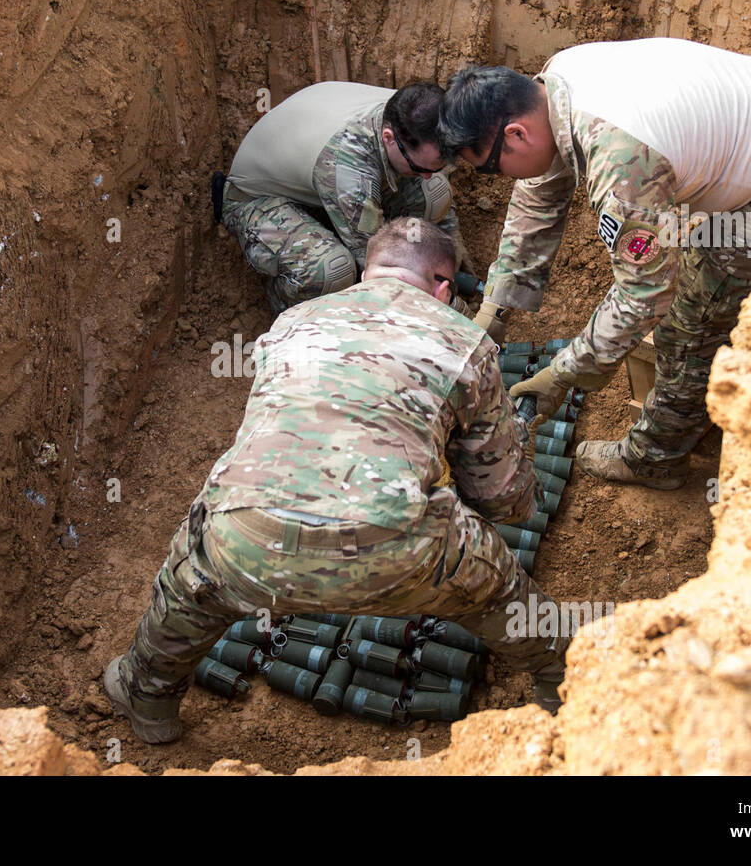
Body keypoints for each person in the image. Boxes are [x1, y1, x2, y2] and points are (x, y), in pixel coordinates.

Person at [104, 218, 569, 744]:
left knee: (189, 582)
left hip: (247, 538)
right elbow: (503, 498)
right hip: (399, 552)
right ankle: (563, 681)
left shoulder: (292, 322)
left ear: (365, 272)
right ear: (444, 287)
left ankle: (148, 697)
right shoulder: (466, 342)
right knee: (497, 585)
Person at [438, 38, 751, 488]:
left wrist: (564, 372)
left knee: (688, 322)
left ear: (517, 134)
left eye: (493, 167)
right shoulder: (556, 82)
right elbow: (538, 194)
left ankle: (655, 457)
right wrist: (496, 307)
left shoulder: (621, 161)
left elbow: (644, 294)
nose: (501, 178)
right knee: (695, 279)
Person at [214, 80, 463, 314]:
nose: (427, 176)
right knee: (333, 270)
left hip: (313, 174)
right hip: (254, 199)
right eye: (420, 168)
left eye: (435, 167)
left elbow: (429, 187)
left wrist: (450, 258)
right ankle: (291, 309)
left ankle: (334, 225)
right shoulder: (348, 171)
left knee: (434, 193)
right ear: (389, 138)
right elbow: (382, 263)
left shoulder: (412, 113)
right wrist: (454, 310)